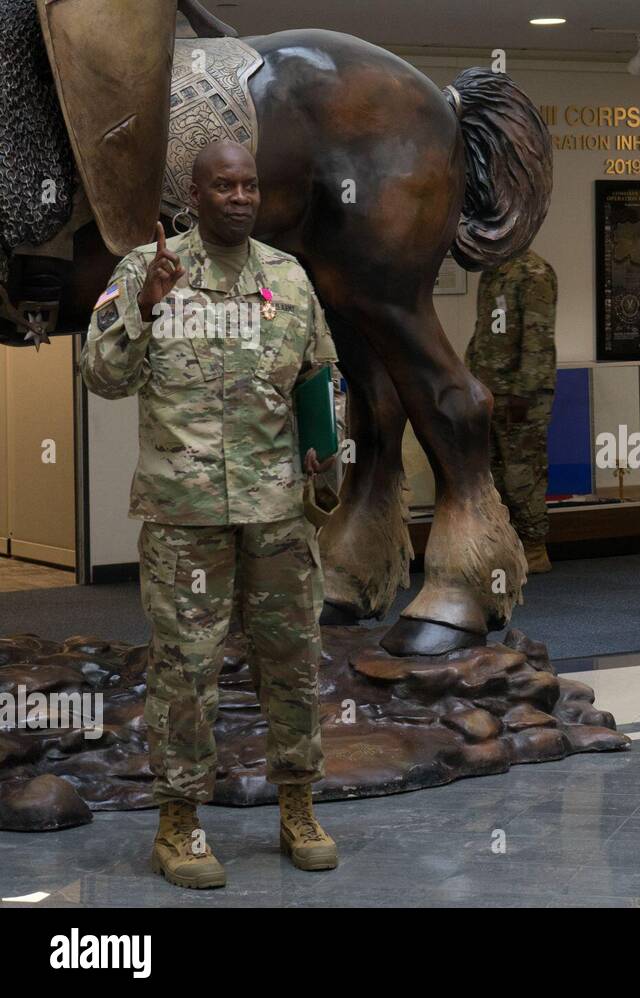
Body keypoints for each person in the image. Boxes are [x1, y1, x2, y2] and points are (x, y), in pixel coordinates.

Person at [80, 140, 339, 889]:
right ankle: (180, 823)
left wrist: (328, 458)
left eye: (248, 184)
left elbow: (319, 380)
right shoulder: (145, 270)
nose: (238, 196)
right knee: (186, 671)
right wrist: (148, 305)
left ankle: (299, 807)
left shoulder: (288, 279)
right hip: (184, 517)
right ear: (192, 196)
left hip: (277, 514)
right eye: (222, 185)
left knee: (293, 662)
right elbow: (99, 375)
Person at [465, 248, 558, 574]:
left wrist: (524, 394)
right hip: (490, 391)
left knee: (523, 474)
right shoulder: (492, 272)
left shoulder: (534, 272)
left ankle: (534, 548)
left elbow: (537, 340)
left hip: (522, 396)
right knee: (494, 472)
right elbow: (484, 333)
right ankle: (506, 544)